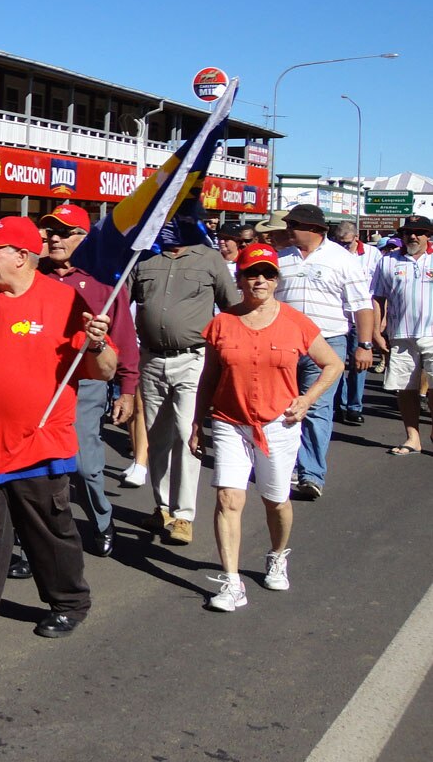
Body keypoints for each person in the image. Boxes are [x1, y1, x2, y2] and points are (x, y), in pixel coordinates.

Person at [0, 216, 115, 662]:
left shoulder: (65, 301)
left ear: (21, 256)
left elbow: (104, 369)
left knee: (48, 532)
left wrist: (97, 344)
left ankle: (69, 602)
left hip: (40, 446)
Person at [189, 244, 342, 612]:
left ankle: (276, 554)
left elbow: (333, 364)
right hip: (229, 422)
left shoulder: (295, 321)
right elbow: (209, 375)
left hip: (279, 423)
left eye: (268, 274)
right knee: (228, 498)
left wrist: (306, 400)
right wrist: (198, 421)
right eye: (251, 273)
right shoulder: (222, 322)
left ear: (277, 280)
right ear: (238, 278)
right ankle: (231, 582)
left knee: (276, 500)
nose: (260, 280)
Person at [37, 205, 140, 557]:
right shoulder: (36, 276)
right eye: (50, 231)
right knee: (39, 466)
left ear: (84, 238)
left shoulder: (103, 281)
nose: (53, 238)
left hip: (88, 381)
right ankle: (37, 535)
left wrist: (127, 391)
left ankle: (101, 520)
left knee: (84, 464)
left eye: (64, 232)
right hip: (43, 382)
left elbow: (125, 339)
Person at [129, 221, 239, 545]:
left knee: (187, 434)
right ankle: (162, 507)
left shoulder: (209, 259)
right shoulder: (145, 259)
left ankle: (184, 516)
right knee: (157, 438)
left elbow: (231, 308)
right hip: (150, 360)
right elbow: (122, 302)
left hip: (193, 360)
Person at [275, 203, 373, 500]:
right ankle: (283, 465)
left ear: (315, 230)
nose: (289, 229)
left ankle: (311, 474)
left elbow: (362, 305)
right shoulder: (281, 259)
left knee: (317, 407)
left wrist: (364, 345)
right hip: (284, 344)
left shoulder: (342, 260)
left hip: (327, 344)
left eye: (295, 224)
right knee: (284, 405)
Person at [371, 215, 433, 455]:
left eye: (419, 232)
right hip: (401, 334)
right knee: (405, 389)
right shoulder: (387, 262)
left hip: (431, 333)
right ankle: (412, 438)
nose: (413, 236)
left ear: (428, 236)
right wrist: (377, 331)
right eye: (408, 232)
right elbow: (378, 297)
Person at [330, 219, 381, 425]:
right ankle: (339, 405)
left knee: (358, 364)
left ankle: (354, 406)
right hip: (338, 317)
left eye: (347, 243)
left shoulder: (372, 255)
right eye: (339, 242)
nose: (343, 247)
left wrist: (379, 322)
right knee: (337, 365)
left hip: (360, 317)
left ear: (357, 239)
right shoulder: (331, 253)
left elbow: (377, 290)